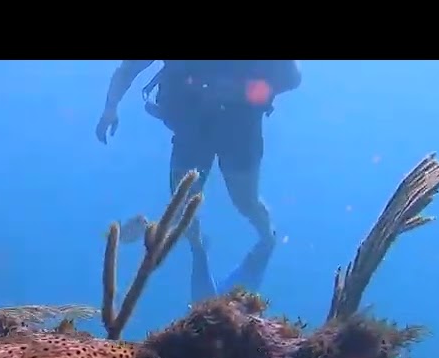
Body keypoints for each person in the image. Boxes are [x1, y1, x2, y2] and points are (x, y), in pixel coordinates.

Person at [95, 60, 301, 303]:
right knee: (182, 207)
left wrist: (241, 89)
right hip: (191, 125)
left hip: (239, 125)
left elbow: (291, 78)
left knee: (245, 201)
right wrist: (110, 107)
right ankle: (198, 247)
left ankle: (266, 236)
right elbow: (129, 68)